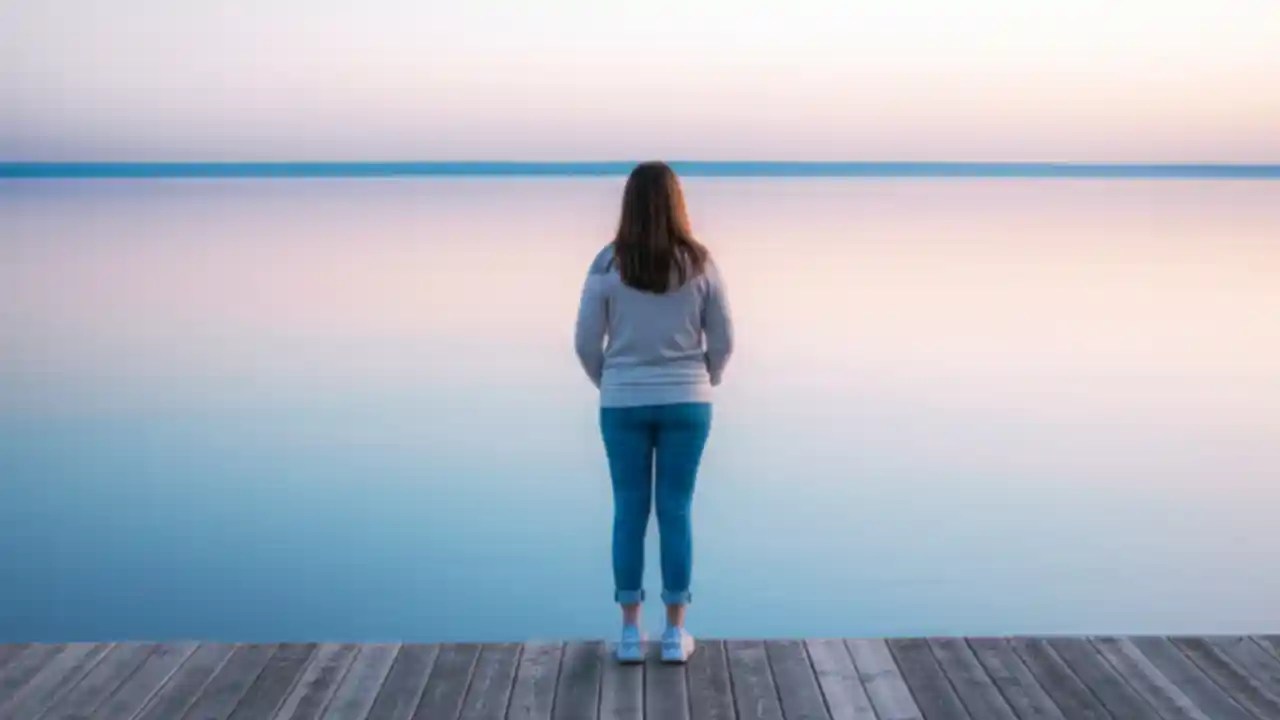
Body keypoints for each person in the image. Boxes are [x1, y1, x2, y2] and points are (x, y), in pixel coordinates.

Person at [574, 161, 734, 664]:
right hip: (688, 400)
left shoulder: (606, 264)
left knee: (629, 510)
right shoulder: (701, 263)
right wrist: (707, 375)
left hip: (623, 401)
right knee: (675, 510)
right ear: (677, 203)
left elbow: (584, 344)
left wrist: (610, 379)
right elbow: (724, 340)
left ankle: (627, 633)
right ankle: (673, 634)